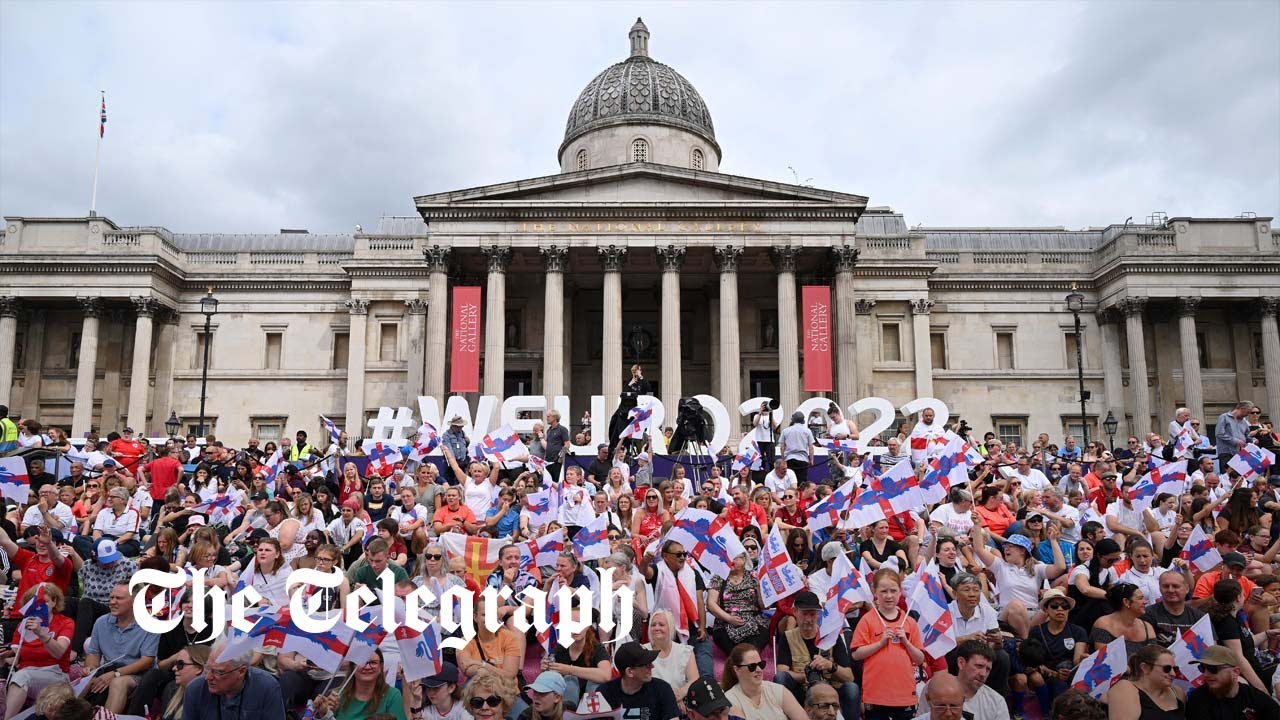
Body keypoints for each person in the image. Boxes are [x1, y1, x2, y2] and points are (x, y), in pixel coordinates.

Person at [773, 590, 860, 720]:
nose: (808, 619)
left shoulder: (831, 636)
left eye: (812, 614)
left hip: (830, 691)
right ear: (795, 612)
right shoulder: (788, 637)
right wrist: (807, 675)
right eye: (804, 614)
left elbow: (849, 676)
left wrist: (830, 666)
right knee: (780, 678)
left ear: (818, 614)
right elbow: (782, 672)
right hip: (802, 690)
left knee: (851, 688)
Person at [852, 569, 925, 720]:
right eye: (883, 591)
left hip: (904, 695)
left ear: (900, 591)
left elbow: (919, 659)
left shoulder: (910, 622)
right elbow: (856, 654)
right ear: (874, 592)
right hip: (876, 695)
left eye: (893, 590)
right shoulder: (867, 620)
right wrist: (880, 643)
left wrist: (906, 642)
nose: (889, 595)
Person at [81, 581, 159, 712]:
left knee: (118, 683)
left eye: (119, 598)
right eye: (111, 597)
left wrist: (115, 674)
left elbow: (146, 661)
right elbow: (93, 653)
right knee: (86, 680)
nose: (112, 602)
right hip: (108, 669)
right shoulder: (101, 622)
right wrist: (91, 668)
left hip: (139, 675)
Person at [2, 583, 74, 719]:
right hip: (27, 672)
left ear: (54, 602)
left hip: (56, 674)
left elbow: (59, 652)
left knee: (22, 676)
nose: (40, 607)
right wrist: (4, 659)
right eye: (35, 604)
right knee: (20, 675)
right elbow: (15, 660)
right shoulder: (22, 626)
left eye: (45, 602)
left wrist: (41, 633)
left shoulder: (66, 623)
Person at [1185, 645, 1279, 720]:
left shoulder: (1254, 697)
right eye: (1202, 668)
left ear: (1235, 672)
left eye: (1212, 669)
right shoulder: (1198, 699)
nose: (1206, 674)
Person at [309, 648, 406, 720]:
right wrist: (323, 713)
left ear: (381, 667)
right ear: (352, 667)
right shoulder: (336, 695)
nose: (367, 667)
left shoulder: (392, 695)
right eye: (362, 662)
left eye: (373, 663)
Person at [721, 643, 806, 720]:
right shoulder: (730, 700)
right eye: (752, 666)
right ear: (737, 669)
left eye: (761, 664)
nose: (759, 670)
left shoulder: (778, 690)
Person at [597, 642, 679, 720]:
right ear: (629, 672)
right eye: (646, 664)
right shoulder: (604, 694)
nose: (652, 666)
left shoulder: (662, 689)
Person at [1105, 644, 1185, 720]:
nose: (1173, 674)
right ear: (1145, 668)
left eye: (1175, 669)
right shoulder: (1125, 689)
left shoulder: (1178, 692)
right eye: (1167, 668)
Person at [644, 609, 697, 706]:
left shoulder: (685, 651)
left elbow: (694, 680)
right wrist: (670, 698)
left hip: (680, 703)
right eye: (653, 625)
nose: (656, 628)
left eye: (661, 625)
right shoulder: (642, 651)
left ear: (670, 628)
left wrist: (680, 694)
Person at [1143, 570, 1206, 647]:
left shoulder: (1200, 617)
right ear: (1160, 589)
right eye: (1166, 586)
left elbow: (1210, 646)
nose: (1170, 590)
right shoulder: (1147, 614)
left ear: (1187, 589)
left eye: (1176, 586)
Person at [950, 640, 1009, 720]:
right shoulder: (936, 689)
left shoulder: (997, 702)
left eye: (988, 669)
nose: (983, 674)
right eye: (979, 666)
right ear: (961, 663)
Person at [159, 646, 209, 720]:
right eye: (175, 663)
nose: (174, 668)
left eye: (180, 664)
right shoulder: (171, 688)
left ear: (199, 668)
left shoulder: (207, 699)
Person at [1216, 401, 1255, 470]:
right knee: (1226, 475)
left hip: (1240, 453)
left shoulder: (1244, 422)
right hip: (1226, 452)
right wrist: (1236, 441)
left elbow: (1246, 435)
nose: (1248, 415)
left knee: (1238, 475)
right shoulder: (1224, 417)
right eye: (1248, 412)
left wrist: (1252, 440)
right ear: (1242, 408)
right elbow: (1219, 434)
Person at [778, 412, 815, 484]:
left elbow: (782, 447)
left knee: (790, 481)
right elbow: (811, 447)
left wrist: (783, 459)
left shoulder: (786, 431)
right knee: (802, 482)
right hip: (803, 459)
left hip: (789, 458)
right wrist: (811, 459)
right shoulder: (807, 431)